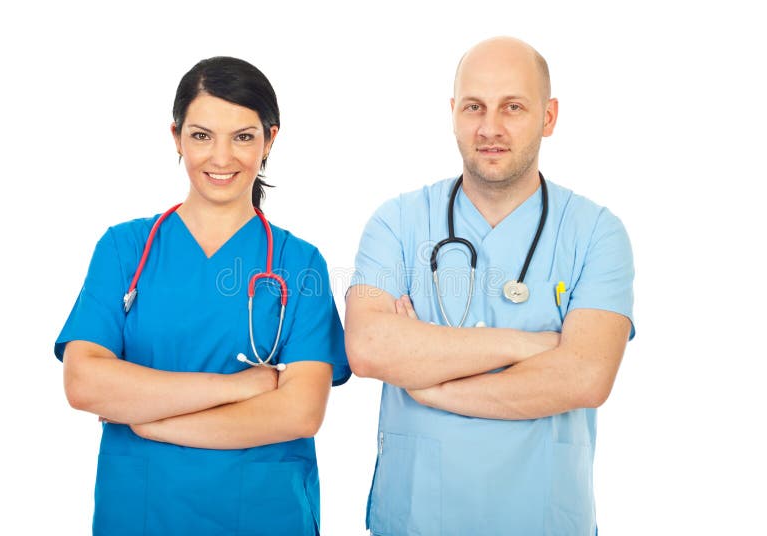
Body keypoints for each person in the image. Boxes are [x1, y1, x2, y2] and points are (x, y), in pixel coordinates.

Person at [346, 37, 634, 535]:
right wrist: (531, 345)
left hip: (541, 519)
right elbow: (369, 347)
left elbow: (585, 378)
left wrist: (431, 386)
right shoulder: (397, 222)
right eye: (474, 106)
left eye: (513, 107)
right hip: (417, 519)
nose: (490, 127)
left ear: (548, 117)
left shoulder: (596, 233)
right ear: (453, 112)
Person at [55, 57, 350, 535]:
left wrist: (150, 422)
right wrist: (238, 387)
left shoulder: (300, 264)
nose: (221, 157)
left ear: (270, 140)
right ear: (175, 137)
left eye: (243, 136)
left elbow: (299, 411)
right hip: (141, 513)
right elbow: (85, 383)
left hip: (262, 514)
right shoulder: (125, 248)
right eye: (201, 135)